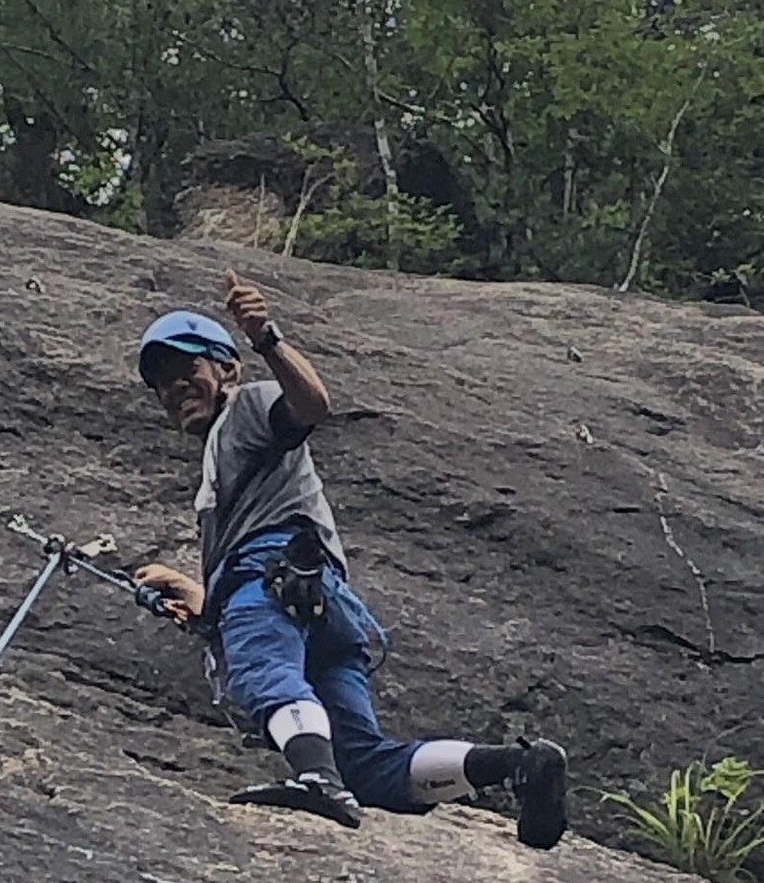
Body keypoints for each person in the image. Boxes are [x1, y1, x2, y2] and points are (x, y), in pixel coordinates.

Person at [134, 270, 567, 846]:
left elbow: (310, 406)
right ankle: (516, 765)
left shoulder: (247, 405)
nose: (175, 387)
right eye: (162, 383)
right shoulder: (227, 454)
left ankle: (316, 779)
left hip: (272, 580)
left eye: (187, 369)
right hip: (321, 604)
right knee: (361, 764)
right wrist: (202, 599)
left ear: (227, 370)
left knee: (263, 673)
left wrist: (266, 338)